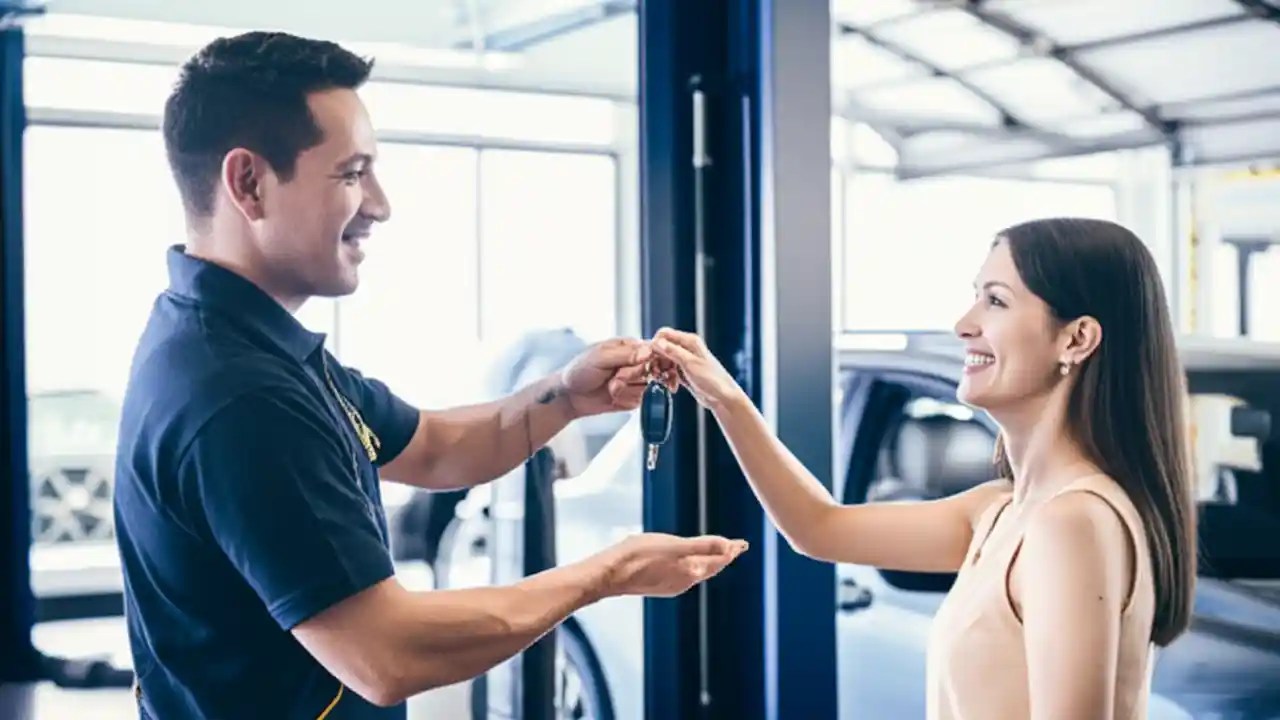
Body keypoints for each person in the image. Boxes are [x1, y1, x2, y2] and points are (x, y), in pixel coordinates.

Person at [113, 31, 744, 719]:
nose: (380, 204)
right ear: (249, 183)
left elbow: (434, 446)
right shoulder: (240, 396)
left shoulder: (242, 340)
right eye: (351, 174)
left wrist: (565, 395)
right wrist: (609, 574)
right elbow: (389, 654)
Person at [651, 218, 1196, 720]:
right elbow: (818, 528)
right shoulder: (1001, 510)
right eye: (976, 298)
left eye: (996, 302)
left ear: (1076, 339)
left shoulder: (1071, 523)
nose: (964, 324)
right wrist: (726, 400)